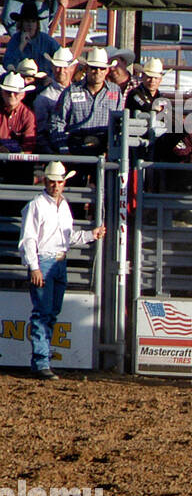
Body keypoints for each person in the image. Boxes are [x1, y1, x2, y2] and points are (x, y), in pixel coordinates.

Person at [18, 160, 106, 379]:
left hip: (58, 262)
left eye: (59, 182)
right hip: (46, 261)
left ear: (63, 183)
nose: (56, 186)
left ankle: (42, 360)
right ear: (46, 181)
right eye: (52, 182)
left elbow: (67, 236)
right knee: (43, 314)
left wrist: (90, 235)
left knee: (50, 313)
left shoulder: (62, 206)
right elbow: (28, 239)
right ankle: (41, 362)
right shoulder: (36, 205)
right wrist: (34, 267)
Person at [46, 46, 122, 156]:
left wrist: (113, 149)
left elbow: (119, 124)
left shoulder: (116, 92)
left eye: (102, 68)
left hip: (104, 149)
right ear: (86, 68)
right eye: (94, 68)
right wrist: (64, 149)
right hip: (76, 147)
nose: (98, 72)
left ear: (107, 70)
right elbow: (57, 123)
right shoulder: (71, 91)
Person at [3, 1, 58, 74]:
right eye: (27, 21)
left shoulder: (47, 40)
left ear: (37, 24)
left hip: (43, 80)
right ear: (21, 23)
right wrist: (21, 46)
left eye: (33, 21)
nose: (30, 25)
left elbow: (60, 57)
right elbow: (8, 63)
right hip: (21, 80)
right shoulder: (15, 40)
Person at [33, 45, 75, 140]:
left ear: (71, 68)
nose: (61, 71)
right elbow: (40, 130)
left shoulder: (79, 91)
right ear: (52, 67)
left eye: (65, 67)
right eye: (58, 67)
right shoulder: (43, 97)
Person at [0, 70, 35, 152]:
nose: (12, 95)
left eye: (16, 92)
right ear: (2, 93)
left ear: (23, 94)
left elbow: (29, 145)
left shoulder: (28, 116)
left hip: (19, 161)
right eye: (8, 92)